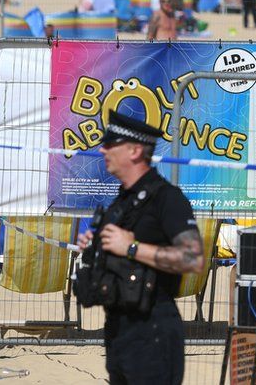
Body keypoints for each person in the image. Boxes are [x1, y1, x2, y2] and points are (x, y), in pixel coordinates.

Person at [76, 110, 204, 385]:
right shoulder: (123, 202)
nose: (102, 149)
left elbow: (193, 258)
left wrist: (132, 247)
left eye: (111, 144)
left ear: (134, 151)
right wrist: (96, 248)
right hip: (118, 329)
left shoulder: (167, 198)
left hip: (153, 330)